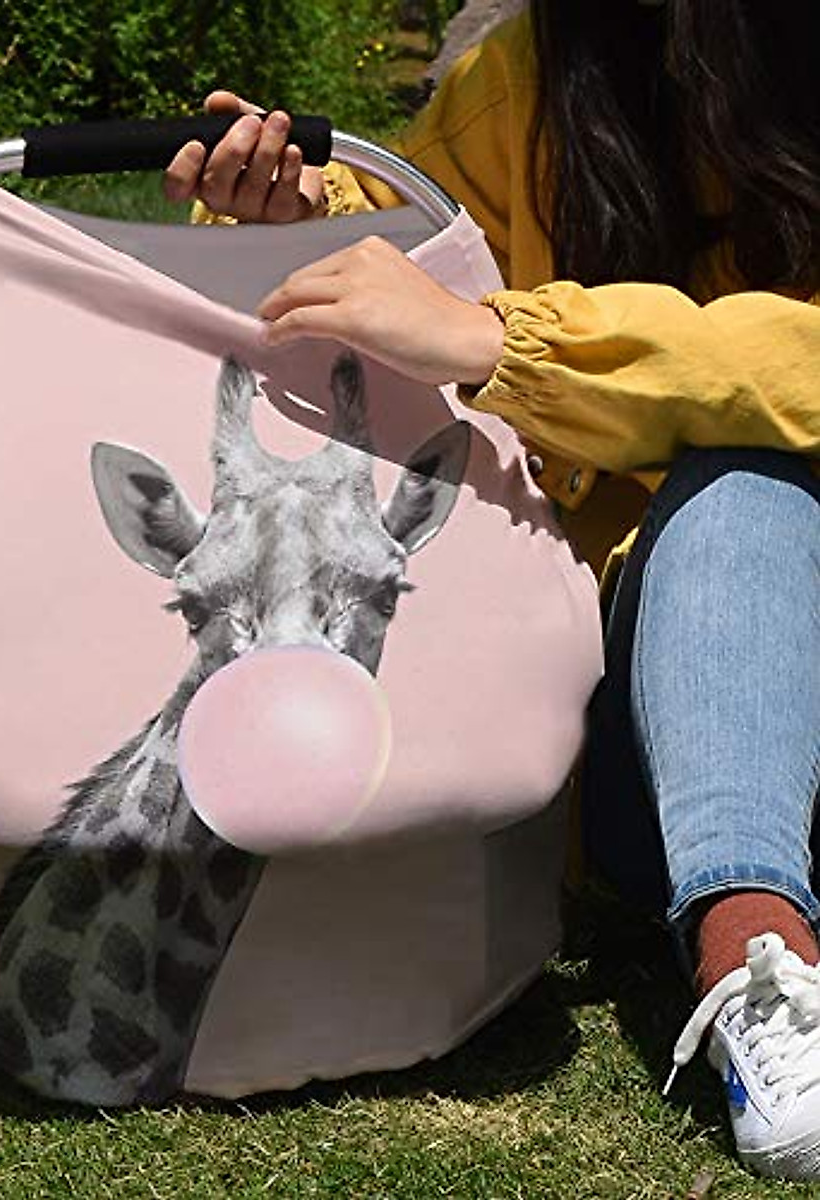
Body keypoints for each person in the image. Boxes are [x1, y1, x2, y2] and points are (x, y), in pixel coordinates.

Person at [163, 0, 820, 1181]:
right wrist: (292, 216)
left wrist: (505, 343)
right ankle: (757, 962)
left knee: (747, 476)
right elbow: (412, 239)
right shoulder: (535, 78)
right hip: (651, 759)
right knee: (736, 501)